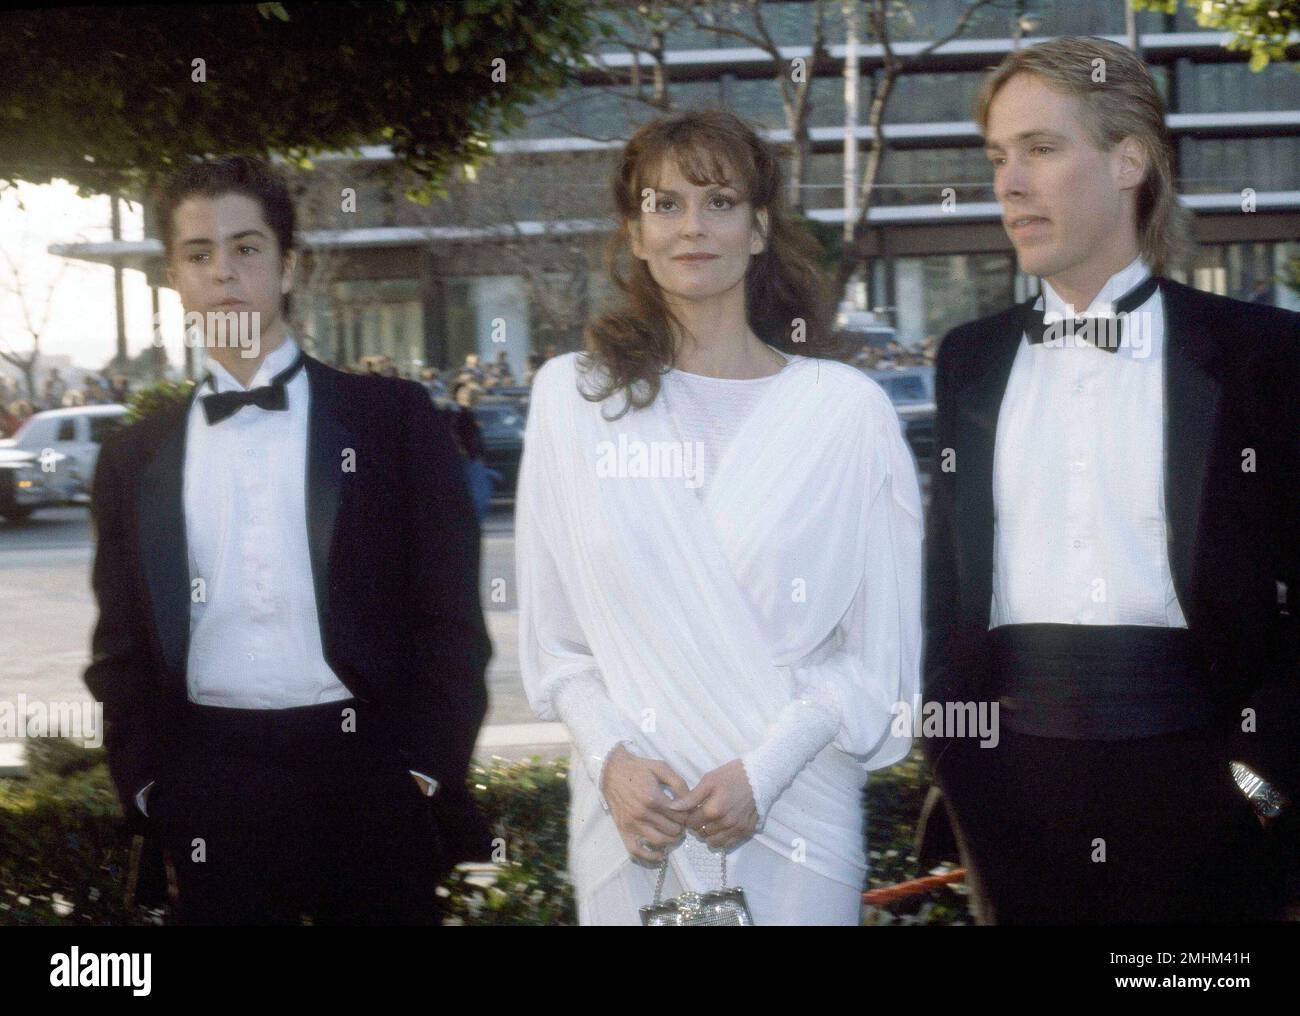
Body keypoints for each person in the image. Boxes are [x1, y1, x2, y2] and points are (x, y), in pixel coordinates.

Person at [922, 37, 1298, 924]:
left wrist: (1262, 779)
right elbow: (946, 589)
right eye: (998, 158)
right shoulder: (968, 361)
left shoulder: (1261, 355)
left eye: (1042, 150)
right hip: (1010, 798)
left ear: (1130, 160)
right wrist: (958, 759)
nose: (1009, 183)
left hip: (1206, 794)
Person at [516, 108, 923, 925]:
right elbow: (557, 648)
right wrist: (612, 763)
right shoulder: (570, 398)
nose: (690, 227)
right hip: (632, 820)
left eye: (719, 201)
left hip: (797, 814)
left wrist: (762, 774)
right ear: (634, 233)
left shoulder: (846, 411)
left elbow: (878, 660)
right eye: (663, 205)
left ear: (761, 228)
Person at [83, 155, 493, 925]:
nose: (224, 273)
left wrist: (425, 770)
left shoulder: (393, 420)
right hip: (210, 780)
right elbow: (122, 646)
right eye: (199, 254)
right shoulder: (134, 457)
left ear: (288, 265)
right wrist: (147, 784)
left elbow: (449, 620)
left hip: (371, 773)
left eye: (247, 248)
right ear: (174, 276)